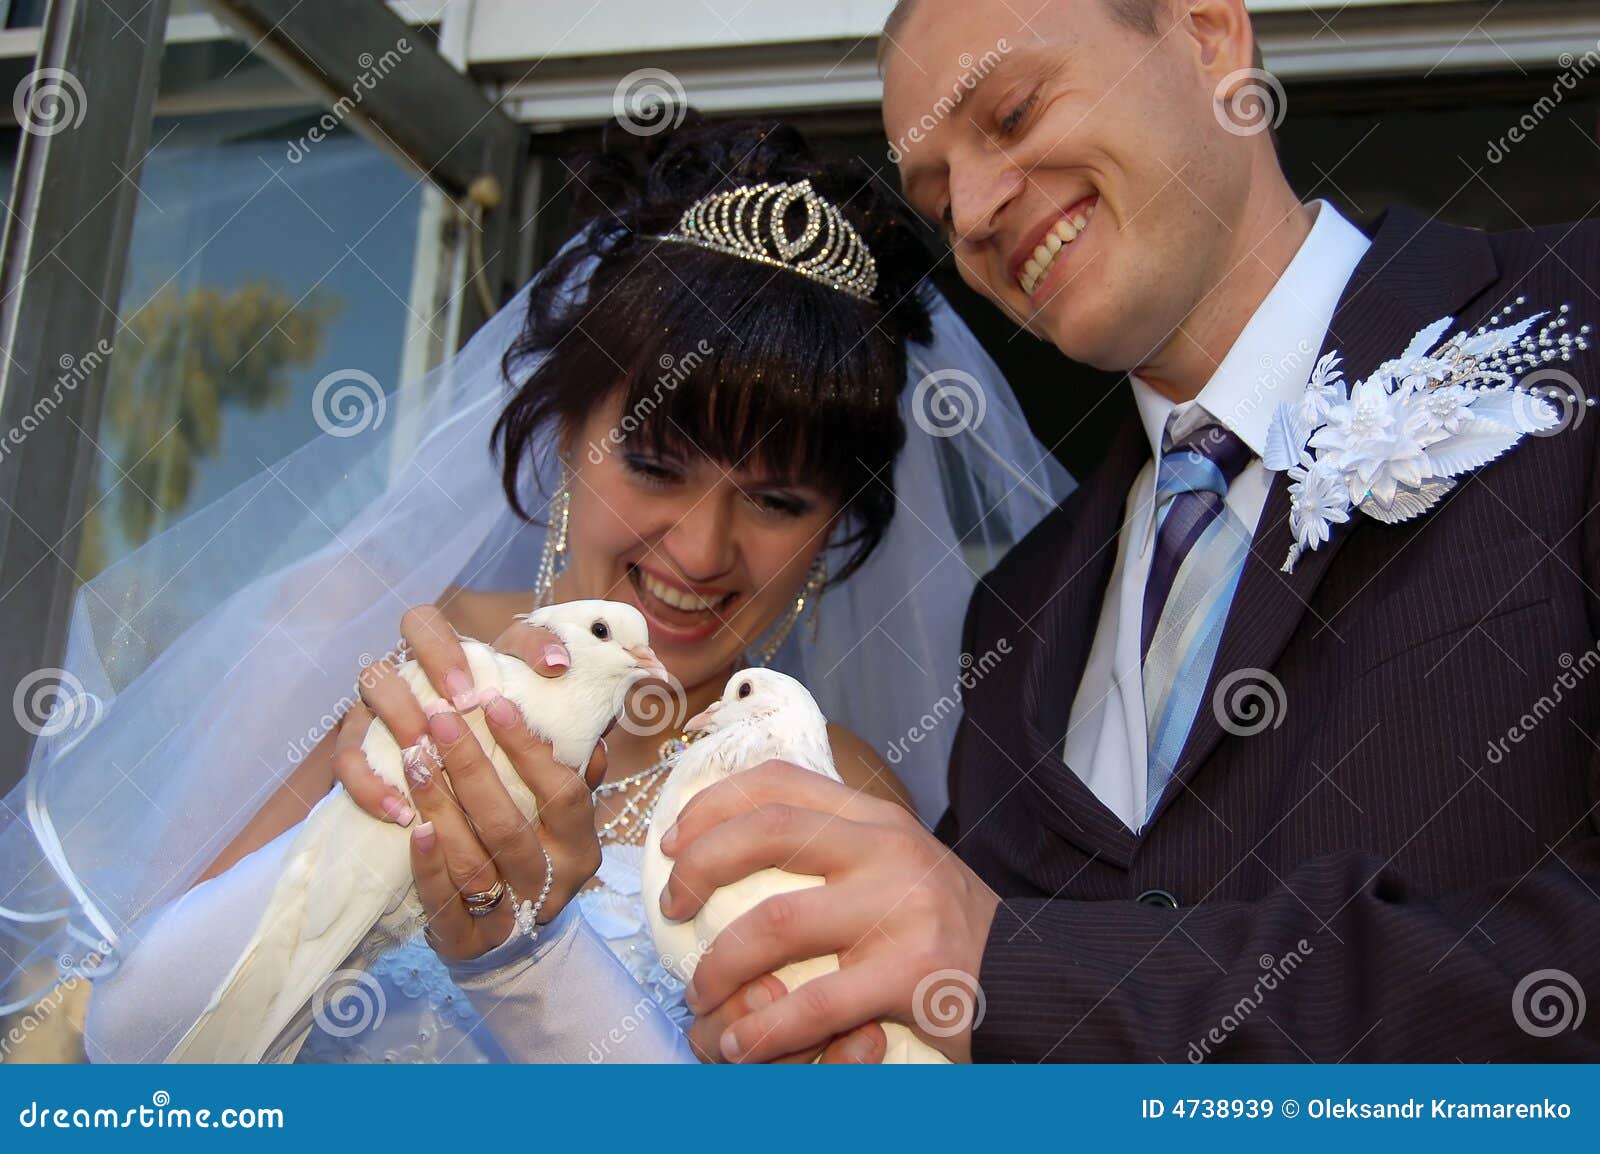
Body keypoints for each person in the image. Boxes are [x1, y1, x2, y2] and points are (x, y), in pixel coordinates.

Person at [0, 117, 1070, 1063]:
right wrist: (369, 844)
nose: (700, 549)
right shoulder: (366, 647)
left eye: (777, 499)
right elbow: (125, 1048)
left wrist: (524, 952)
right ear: (565, 433)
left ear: (834, 527)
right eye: (655, 466)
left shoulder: (830, 788)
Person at [662, 0, 1600, 1063]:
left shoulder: (1580, 318)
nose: (971, 210)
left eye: (1010, 114)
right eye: (933, 198)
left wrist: (1009, 969)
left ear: (1208, 35)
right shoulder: (1016, 613)